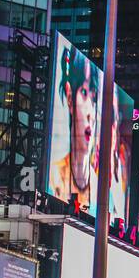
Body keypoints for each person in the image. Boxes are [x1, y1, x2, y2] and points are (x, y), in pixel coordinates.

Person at [48, 41, 100, 214]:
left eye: (94, 99)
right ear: (70, 97)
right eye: (84, 93)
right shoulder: (53, 179)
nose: (90, 113)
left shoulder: (104, 193)